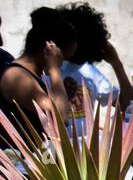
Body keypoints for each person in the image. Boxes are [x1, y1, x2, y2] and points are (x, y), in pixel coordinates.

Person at [56, 2, 133, 129]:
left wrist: (117, 64)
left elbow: (129, 107)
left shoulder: (88, 71)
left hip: (85, 148)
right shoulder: (48, 70)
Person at [0, 8, 76, 140]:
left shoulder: (31, 75)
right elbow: (60, 119)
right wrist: (54, 69)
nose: (61, 64)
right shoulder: (17, 77)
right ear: (48, 50)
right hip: (21, 159)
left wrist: (64, 92)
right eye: (61, 59)